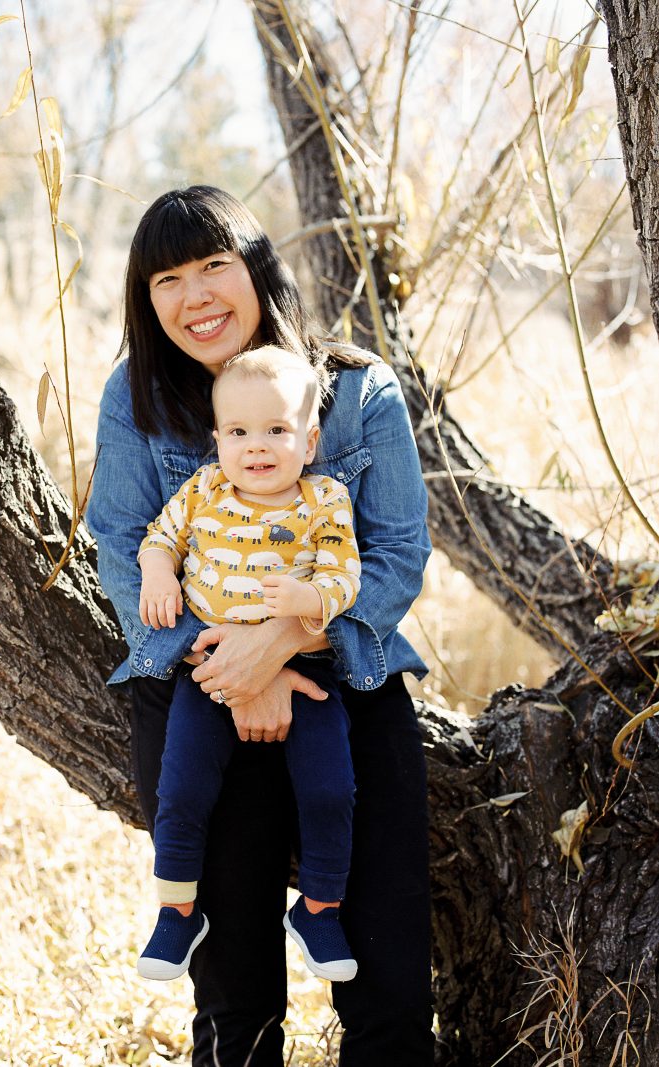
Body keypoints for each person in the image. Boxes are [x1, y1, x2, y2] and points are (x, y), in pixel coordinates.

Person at [86, 185, 434, 1066]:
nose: (194, 295)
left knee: (388, 974)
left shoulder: (358, 391)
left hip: (346, 679)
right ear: (146, 298)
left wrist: (279, 646)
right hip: (199, 690)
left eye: (214, 265)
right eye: (167, 277)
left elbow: (395, 554)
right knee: (233, 983)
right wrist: (231, 666)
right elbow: (124, 550)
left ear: (258, 269)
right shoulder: (135, 397)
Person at [136, 346, 361, 984]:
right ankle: (177, 911)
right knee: (181, 790)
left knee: (328, 789)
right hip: (208, 672)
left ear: (309, 441)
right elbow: (161, 536)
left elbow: (346, 573)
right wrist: (158, 570)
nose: (255, 447)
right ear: (217, 439)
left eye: (276, 431)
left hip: (304, 672)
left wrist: (310, 600)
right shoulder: (204, 488)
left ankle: (318, 908)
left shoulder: (324, 500)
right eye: (238, 432)